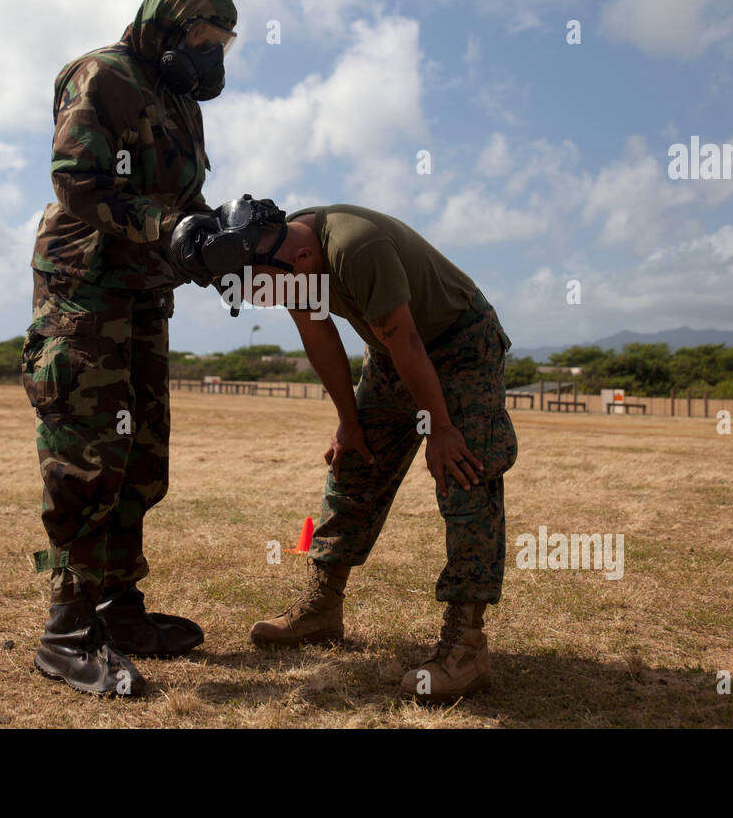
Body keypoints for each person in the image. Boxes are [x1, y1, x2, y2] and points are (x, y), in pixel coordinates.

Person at [170, 198, 517, 702]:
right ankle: (322, 608)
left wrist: (440, 428)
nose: (270, 299)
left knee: (462, 474)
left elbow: (407, 338)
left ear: (303, 261)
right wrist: (347, 423)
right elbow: (320, 336)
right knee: (352, 463)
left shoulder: (356, 246)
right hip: (391, 349)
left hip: (459, 345)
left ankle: (467, 646)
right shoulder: (277, 250)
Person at [21, 0, 237, 697]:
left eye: (223, 45)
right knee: (89, 456)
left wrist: (217, 234)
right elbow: (77, 182)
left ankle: (118, 608)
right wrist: (169, 226)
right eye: (204, 39)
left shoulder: (181, 102)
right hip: (85, 293)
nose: (212, 57)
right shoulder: (101, 75)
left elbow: (180, 197)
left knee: (141, 460)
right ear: (165, 26)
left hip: (145, 295)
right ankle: (66, 630)